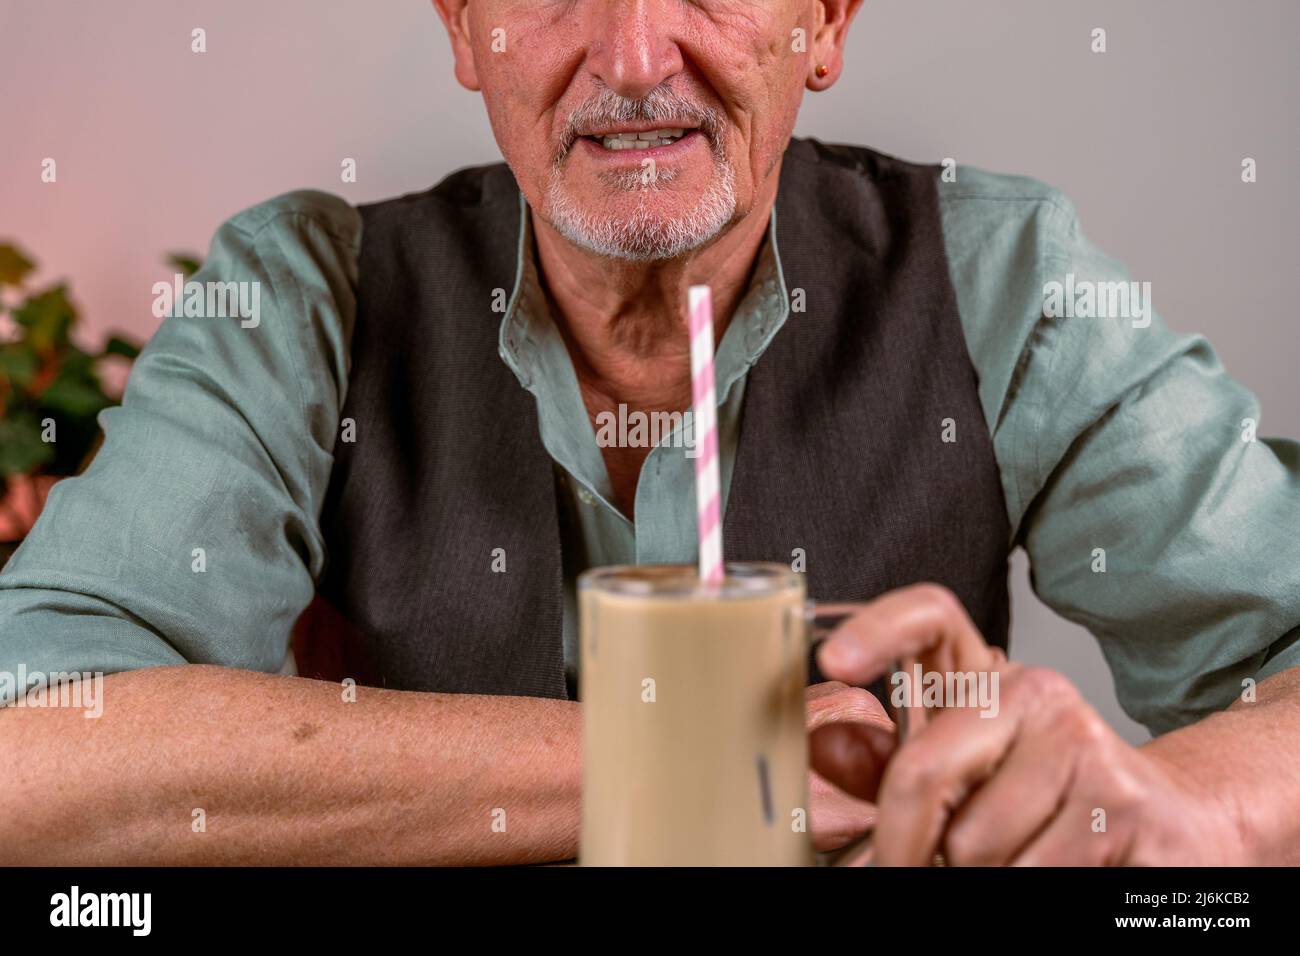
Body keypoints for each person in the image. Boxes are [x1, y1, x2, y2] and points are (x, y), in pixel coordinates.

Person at [1, 0, 1297, 866]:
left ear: (828, 18)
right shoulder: (300, 294)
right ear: (464, 24)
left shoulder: (1005, 276)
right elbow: (38, 747)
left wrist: (1190, 805)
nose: (631, 57)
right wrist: (703, 759)